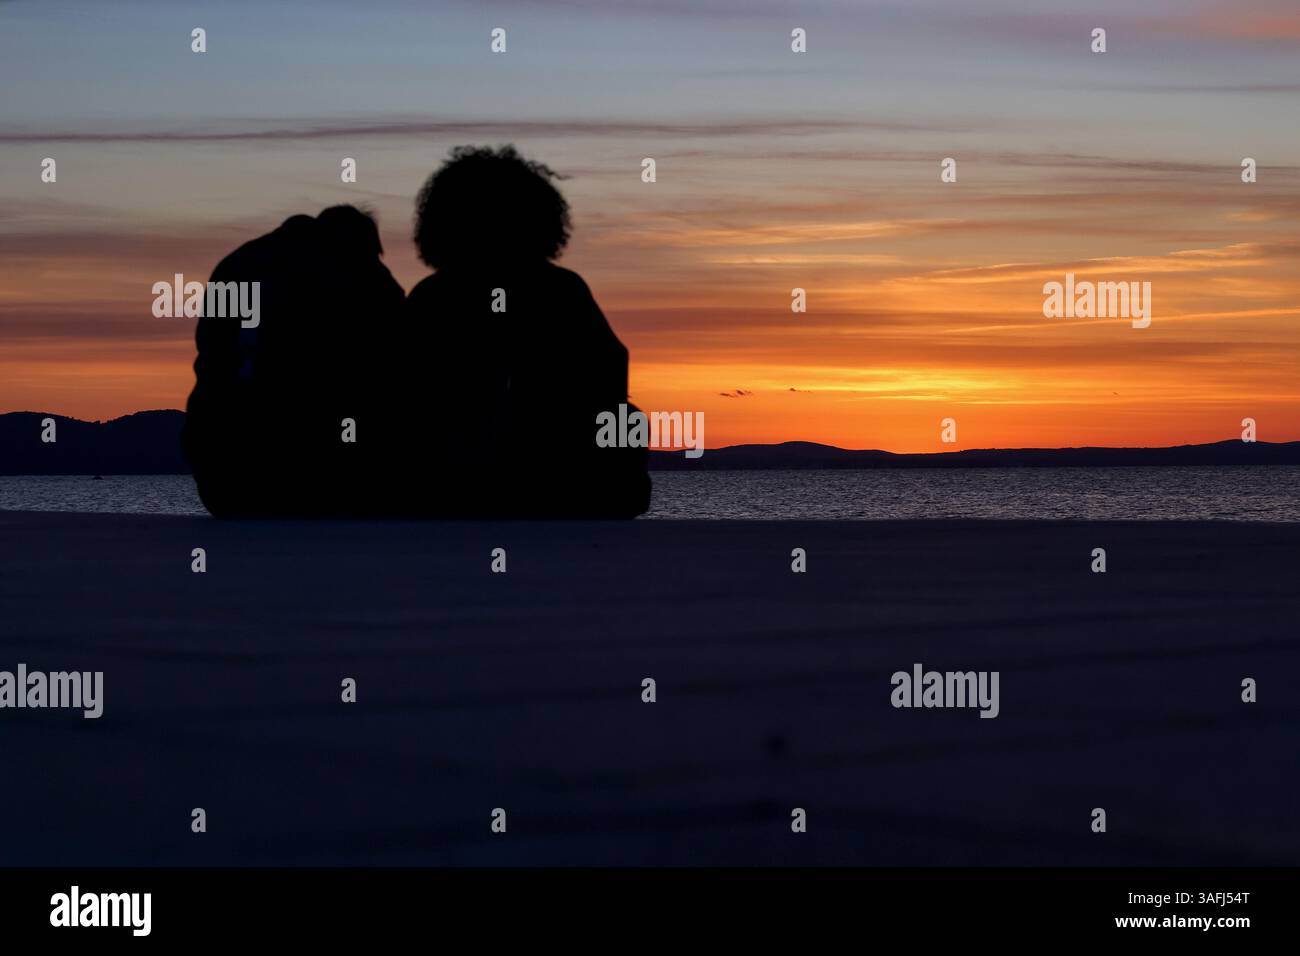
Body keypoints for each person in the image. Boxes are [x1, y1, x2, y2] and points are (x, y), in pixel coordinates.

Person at [402, 145, 651, 518]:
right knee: (628, 419)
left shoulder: (432, 295)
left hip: (456, 481)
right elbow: (610, 369)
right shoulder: (561, 290)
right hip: (547, 478)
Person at [182, 205, 406, 517]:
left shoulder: (236, 264)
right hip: (309, 482)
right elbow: (398, 349)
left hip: (221, 481)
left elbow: (211, 356)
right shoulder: (350, 272)